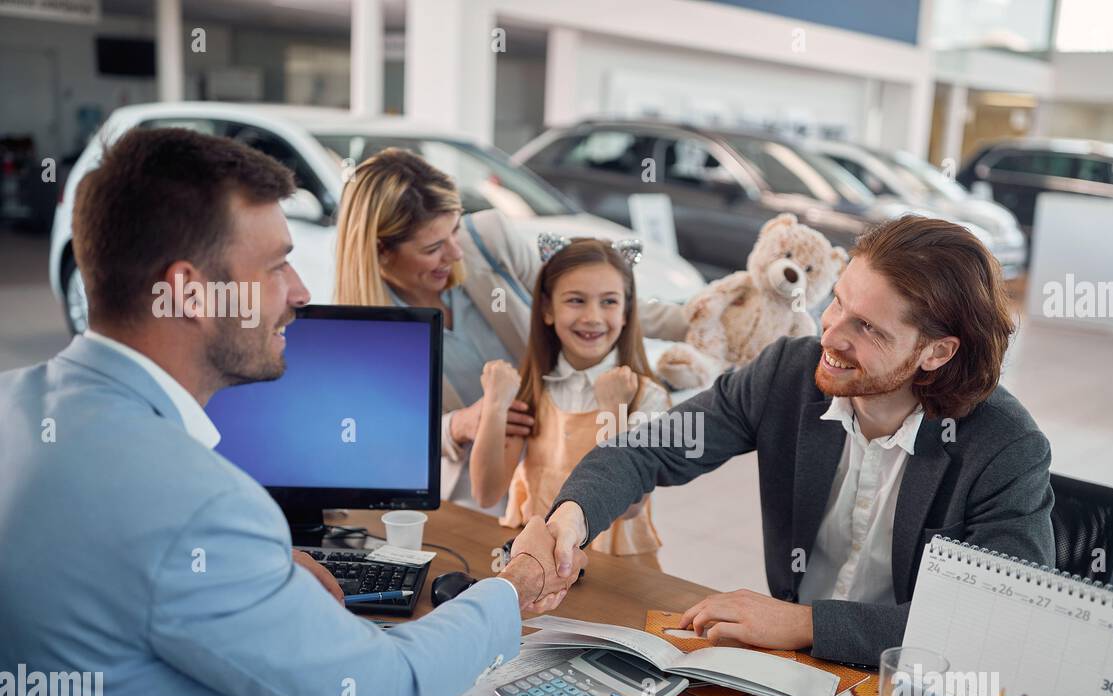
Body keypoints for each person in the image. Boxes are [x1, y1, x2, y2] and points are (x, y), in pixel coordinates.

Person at [0, 127, 583, 696]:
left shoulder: (15, 410)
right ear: (188, 290)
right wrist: (515, 585)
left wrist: (265, 585)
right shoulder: (200, 505)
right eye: (277, 267)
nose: (302, 293)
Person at [542, 216, 1055, 667]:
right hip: (788, 669)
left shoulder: (1006, 448)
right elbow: (647, 449)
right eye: (837, 301)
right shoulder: (788, 372)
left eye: (868, 328)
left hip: (913, 687)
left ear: (937, 352)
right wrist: (571, 516)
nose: (830, 334)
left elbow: (996, 621)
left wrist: (805, 625)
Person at [332, 148, 687, 512]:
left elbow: (580, 296)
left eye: (455, 229)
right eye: (434, 247)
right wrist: (457, 425)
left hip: (559, 459)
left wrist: (699, 324)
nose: (455, 252)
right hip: (477, 495)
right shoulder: (362, 327)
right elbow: (377, 435)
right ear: (381, 251)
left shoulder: (487, 241)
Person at [470, 237, 670, 568]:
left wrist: (614, 411)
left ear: (626, 312)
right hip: (538, 565)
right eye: (576, 300)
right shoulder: (532, 388)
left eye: (609, 302)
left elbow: (631, 506)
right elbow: (487, 493)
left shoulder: (646, 397)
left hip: (616, 570)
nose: (593, 317)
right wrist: (493, 406)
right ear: (547, 309)